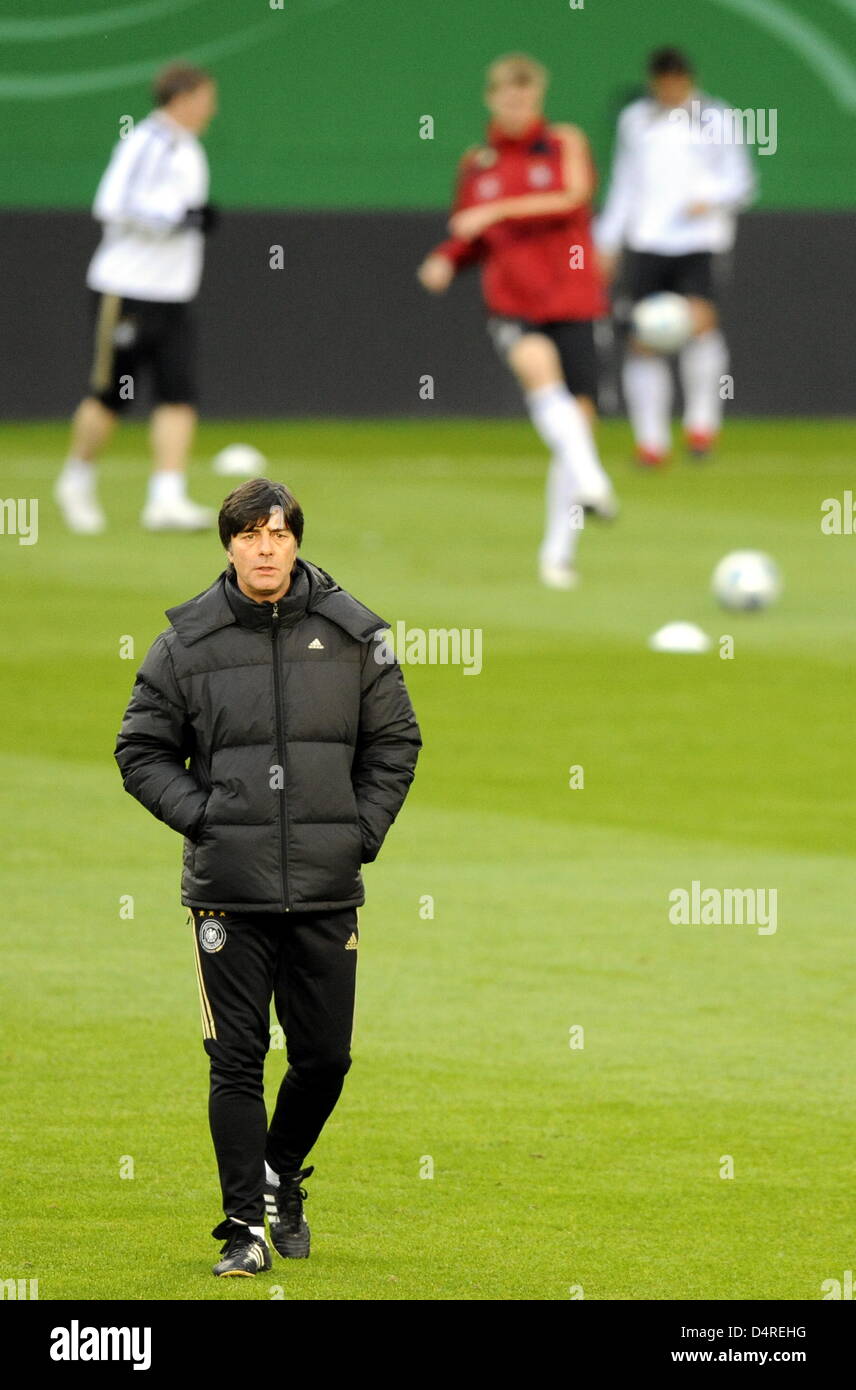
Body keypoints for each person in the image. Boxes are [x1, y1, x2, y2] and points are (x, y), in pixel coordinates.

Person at [114, 478, 421, 1276]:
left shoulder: (354, 635)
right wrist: (206, 816)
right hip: (229, 892)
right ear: (228, 544)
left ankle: (282, 1171)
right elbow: (140, 750)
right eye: (250, 535)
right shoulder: (186, 642)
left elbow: (396, 743)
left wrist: (359, 832)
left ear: (296, 542)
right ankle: (245, 1229)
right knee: (236, 1059)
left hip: (326, 886)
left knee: (325, 1060)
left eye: (279, 534)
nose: (265, 549)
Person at [417, 52, 616, 592]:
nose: (516, 104)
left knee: (578, 420)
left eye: (525, 96)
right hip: (513, 301)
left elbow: (573, 196)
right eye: (507, 95)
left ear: (537, 98)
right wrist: (447, 258)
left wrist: (499, 211)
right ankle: (596, 480)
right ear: (492, 98)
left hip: (574, 296)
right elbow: (471, 234)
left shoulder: (564, 143)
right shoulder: (476, 163)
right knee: (538, 367)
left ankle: (558, 552)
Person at [55, 61, 220, 534]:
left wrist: (190, 219)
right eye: (206, 99)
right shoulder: (148, 142)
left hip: (174, 293)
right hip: (127, 290)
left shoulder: (188, 148)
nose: (211, 109)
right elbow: (112, 205)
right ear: (183, 98)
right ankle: (77, 478)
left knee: (178, 393)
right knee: (109, 396)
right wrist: (177, 218)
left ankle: (165, 498)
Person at [596, 46, 756, 465]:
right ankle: (651, 442)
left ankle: (701, 428)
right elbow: (624, 185)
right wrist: (607, 240)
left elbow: (742, 181)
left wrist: (709, 199)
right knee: (644, 337)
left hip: (699, 240)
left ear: (688, 78)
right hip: (648, 241)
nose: (669, 86)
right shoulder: (635, 120)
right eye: (662, 79)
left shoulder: (717, 117)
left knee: (700, 325)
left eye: (676, 78)